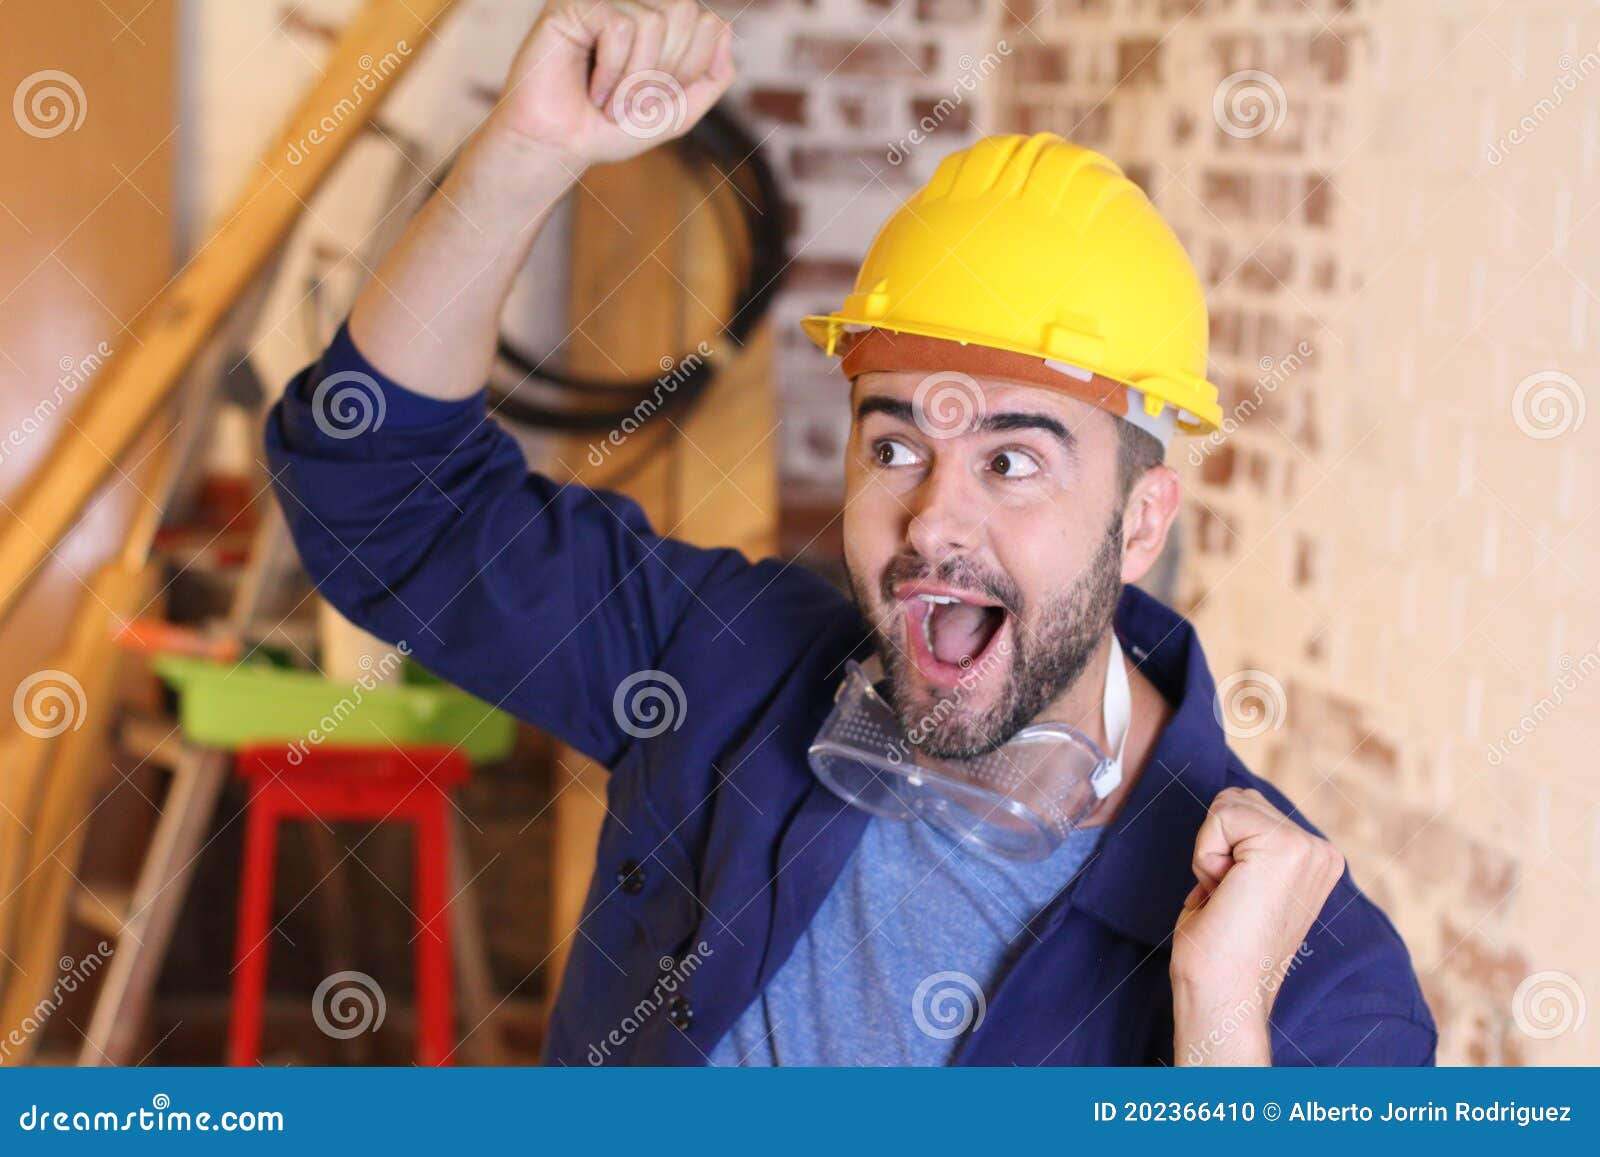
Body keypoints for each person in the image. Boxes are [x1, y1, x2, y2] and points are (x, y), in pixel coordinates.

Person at [264, 0, 1436, 1066]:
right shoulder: (723, 670)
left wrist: (1219, 1024)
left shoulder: (1310, 974)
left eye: (1011, 461)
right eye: (894, 448)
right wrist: (529, 149)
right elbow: (383, 495)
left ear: (1139, 522)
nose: (934, 518)